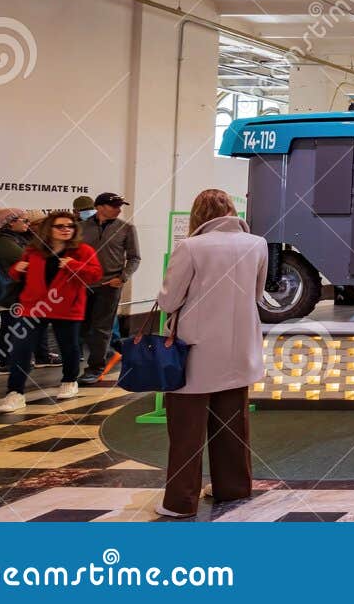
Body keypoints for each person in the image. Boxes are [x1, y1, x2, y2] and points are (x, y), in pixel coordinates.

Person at [152, 188, 268, 519]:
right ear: (232, 210)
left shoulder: (190, 247)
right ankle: (232, 487)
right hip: (241, 347)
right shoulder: (257, 244)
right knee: (233, 423)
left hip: (195, 351)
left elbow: (169, 300)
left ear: (198, 215)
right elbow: (258, 294)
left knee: (187, 429)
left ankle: (179, 502)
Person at [0, 210, 102, 413]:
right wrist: (19, 268)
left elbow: (95, 275)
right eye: (60, 226)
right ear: (48, 229)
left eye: (69, 226)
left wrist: (74, 266)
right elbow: (16, 275)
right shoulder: (34, 250)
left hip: (67, 307)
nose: (65, 230)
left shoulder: (83, 251)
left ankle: (70, 380)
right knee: (22, 349)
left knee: (69, 347)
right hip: (33, 307)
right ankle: (15, 393)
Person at [79, 193, 140, 385]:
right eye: (114, 205)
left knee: (101, 328)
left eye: (120, 205)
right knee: (83, 328)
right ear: (99, 207)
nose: (119, 209)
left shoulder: (127, 228)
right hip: (83, 285)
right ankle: (109, 352)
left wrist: (122, 278)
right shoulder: (80, 228)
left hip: (109, 286)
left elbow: (134, 257)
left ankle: (95, 367)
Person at [0, 208, 33, 368]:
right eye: (24, 220)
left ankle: (9, 360)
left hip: (15, 291)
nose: (28, 223)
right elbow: (29, 260)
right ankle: (6, 362)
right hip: (10, 292)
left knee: (12, 325)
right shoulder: (4, 242)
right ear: (11, 223)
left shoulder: (15, 238)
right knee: (11, 326)